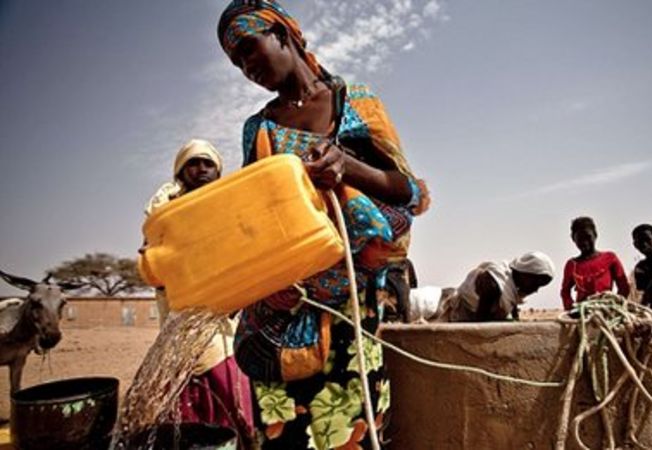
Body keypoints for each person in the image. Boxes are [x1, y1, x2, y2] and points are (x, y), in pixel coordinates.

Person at [216, 2, 429, 448]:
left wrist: (346, 166)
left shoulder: (354, 102)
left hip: (350, 311)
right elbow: (253, 214)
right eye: (237, 62)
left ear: (282, 34)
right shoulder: (260, 128)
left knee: (352, 430)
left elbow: (409, 192)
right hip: (280, 312)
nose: (247, 66)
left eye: (250, 49)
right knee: (284, 436)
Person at [143, 139, 254, 441]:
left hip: (221, 316)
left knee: (227, 385)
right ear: (180, 172)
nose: (201, 169)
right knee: (184, 395)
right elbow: (154, 260)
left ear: (218, 171)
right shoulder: (165, 207)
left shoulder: (226, 207)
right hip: (181, 316)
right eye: (193, 163)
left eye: (208, 164)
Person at [428, 251, 555, 322]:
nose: (536, 290)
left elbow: (514, 318)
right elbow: (482, 324)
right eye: (536, 284)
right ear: (527, 273)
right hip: (446, 309)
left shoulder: (512, 291)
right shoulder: (494, 284)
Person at [561, 217, 630, 310]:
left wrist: (615, 307)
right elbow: (565, 291)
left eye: (588, 237)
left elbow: (623, 286)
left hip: (607, 310)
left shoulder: (610, 258)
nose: (584, 242)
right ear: (573, 239)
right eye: (579, 239)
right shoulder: (572, 265)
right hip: (582, 312)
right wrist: (572, 309)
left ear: (595, 235)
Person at [631, 224, 652, 309]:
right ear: (635, 245)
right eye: (640, 242)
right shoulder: (640, 267)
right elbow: (646, 293)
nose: (644, 244)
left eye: (648, 240)